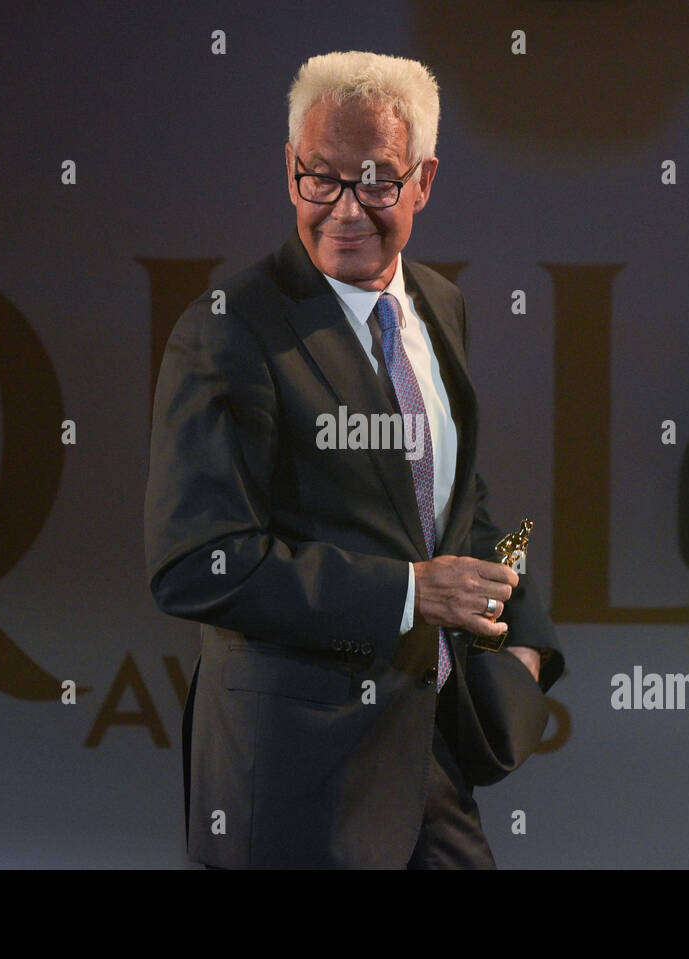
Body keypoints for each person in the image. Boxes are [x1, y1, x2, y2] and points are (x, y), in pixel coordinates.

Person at [144, 50, 564, 869]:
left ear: (423, 180)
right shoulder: (230, 328)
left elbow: (451, 500)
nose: (343, 209)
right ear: (290, 168)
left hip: (427, 753)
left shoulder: (440, 307)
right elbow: (193, 561)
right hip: (296, 778)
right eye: (319, 179)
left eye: (375, 181)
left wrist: (528, 640)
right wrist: (407, 593)